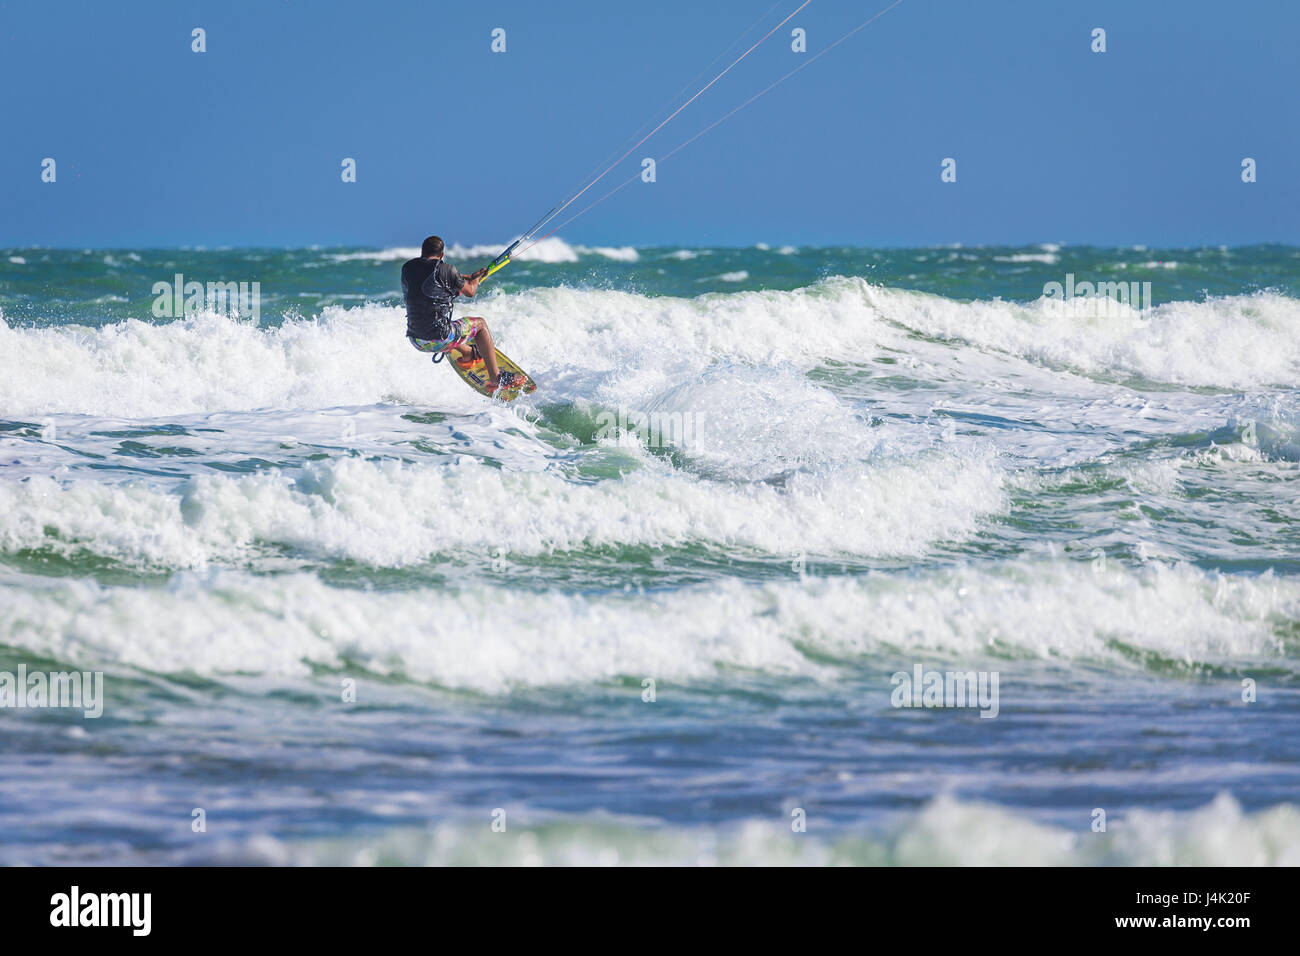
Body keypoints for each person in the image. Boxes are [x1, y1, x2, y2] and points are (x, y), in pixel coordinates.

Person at [401, 235, 523, 393]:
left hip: (417, 340)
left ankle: (468, 355)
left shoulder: (408, 268)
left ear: (422, 251)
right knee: (480, 325)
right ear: (442, 255)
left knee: (441, 324)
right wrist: (474, 282)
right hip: (440, 339)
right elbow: (470, 291)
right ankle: (496, 378)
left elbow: (439, 281)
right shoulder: (446, 269)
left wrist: (471, 277)